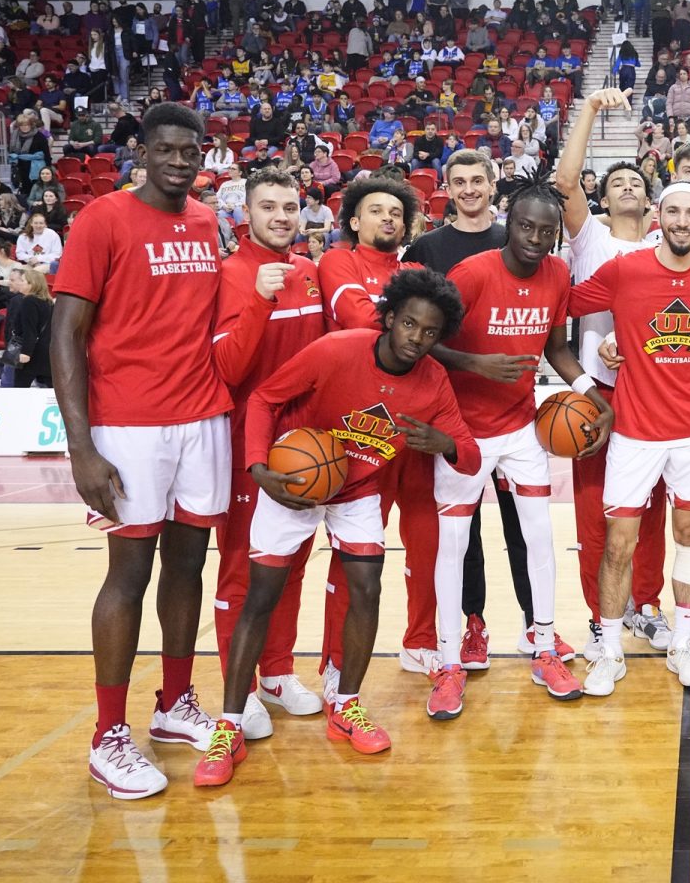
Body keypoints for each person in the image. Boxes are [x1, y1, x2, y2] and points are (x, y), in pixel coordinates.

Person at [194, 270, 481, 786]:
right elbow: (263, 399)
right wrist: (260, 468)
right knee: (262, 596)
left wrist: (447, 444)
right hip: (296, 481)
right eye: (409, 324)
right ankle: (230, 723)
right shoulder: (336, 350)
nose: (417, 338)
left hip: (356, 490)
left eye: (430, 332)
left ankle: (346, 704)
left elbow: (470, 456)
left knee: (366, 587)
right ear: (389, 318)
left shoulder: (433, 381)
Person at [52, 103, 229, 800]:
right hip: (129, 423)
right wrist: (81, 447)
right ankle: (107, 735)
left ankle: (175, 703)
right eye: (168, 149)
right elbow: (65, 334)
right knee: (128, 575)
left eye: (192, 150)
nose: (181, 160)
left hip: (202, 416)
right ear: (143, 152)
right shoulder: (103, 219)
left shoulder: (210, 222)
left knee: (188, 567)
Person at [429, 178, 613, 714]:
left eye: (546, 231)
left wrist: (590, 393)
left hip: (521, 428)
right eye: (526, 227)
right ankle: (447, 663)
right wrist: (474, 363)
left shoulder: (558, 272)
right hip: (463, 429)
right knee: (454, 545)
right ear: (509, 224)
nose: (535, 238)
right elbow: (424, 340)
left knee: (538, 537)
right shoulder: (473, 273)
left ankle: (543, 641)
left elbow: (556, 346)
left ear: (557, 236)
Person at [568, 181, 690, 695]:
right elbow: (566, 304)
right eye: (674, 211)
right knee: (619, 544)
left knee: (689, 538)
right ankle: (610, 649)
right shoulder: (627, 269)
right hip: (634, 431)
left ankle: (683, 644)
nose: (683, 221)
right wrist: (607, 345)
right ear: (659, 215)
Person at [207, 170, 326, 742]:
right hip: (245, 448)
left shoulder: (309, 273)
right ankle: (242, 687)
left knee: (293, 564)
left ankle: (277, 673)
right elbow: (228, 369)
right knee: (241, 572)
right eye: (269, 207)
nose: (281, 216)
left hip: (306, 450)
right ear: (245, 214)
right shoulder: (229, 276)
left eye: (290, 206)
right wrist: (257, 299)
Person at [313, 175, 441, 690]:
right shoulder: (337, 262)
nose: (388, 218)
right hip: (356, 427)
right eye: (376, 210)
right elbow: (358, 319)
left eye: (396, 212)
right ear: (353, 221)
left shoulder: (414, 270)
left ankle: (420, 641)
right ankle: (334, 664)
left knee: (426, 540)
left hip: (411, 419)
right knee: (354, 557)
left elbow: (427, 334)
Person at [555, 90, 673, 653]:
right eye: (616, 184)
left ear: (652, 203)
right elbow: (566, 179)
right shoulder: (591, 238)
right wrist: (591, 112)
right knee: (595, 508)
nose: (627, 188)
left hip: (654, 392)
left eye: (636, 184)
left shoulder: (664, 242)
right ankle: (603, 614)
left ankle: (646, 603)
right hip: (598, 391)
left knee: (649, 509)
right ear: (601, 201)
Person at [6, 264, 53, 388]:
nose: (20, 283)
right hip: (47, 351)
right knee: (50, 389)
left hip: (31, 353)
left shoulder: (29, 301)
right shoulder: (48, 302)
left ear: (32, 284)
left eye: (23, 281)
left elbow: (29, 329)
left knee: (20, 388)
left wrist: (26, 352)